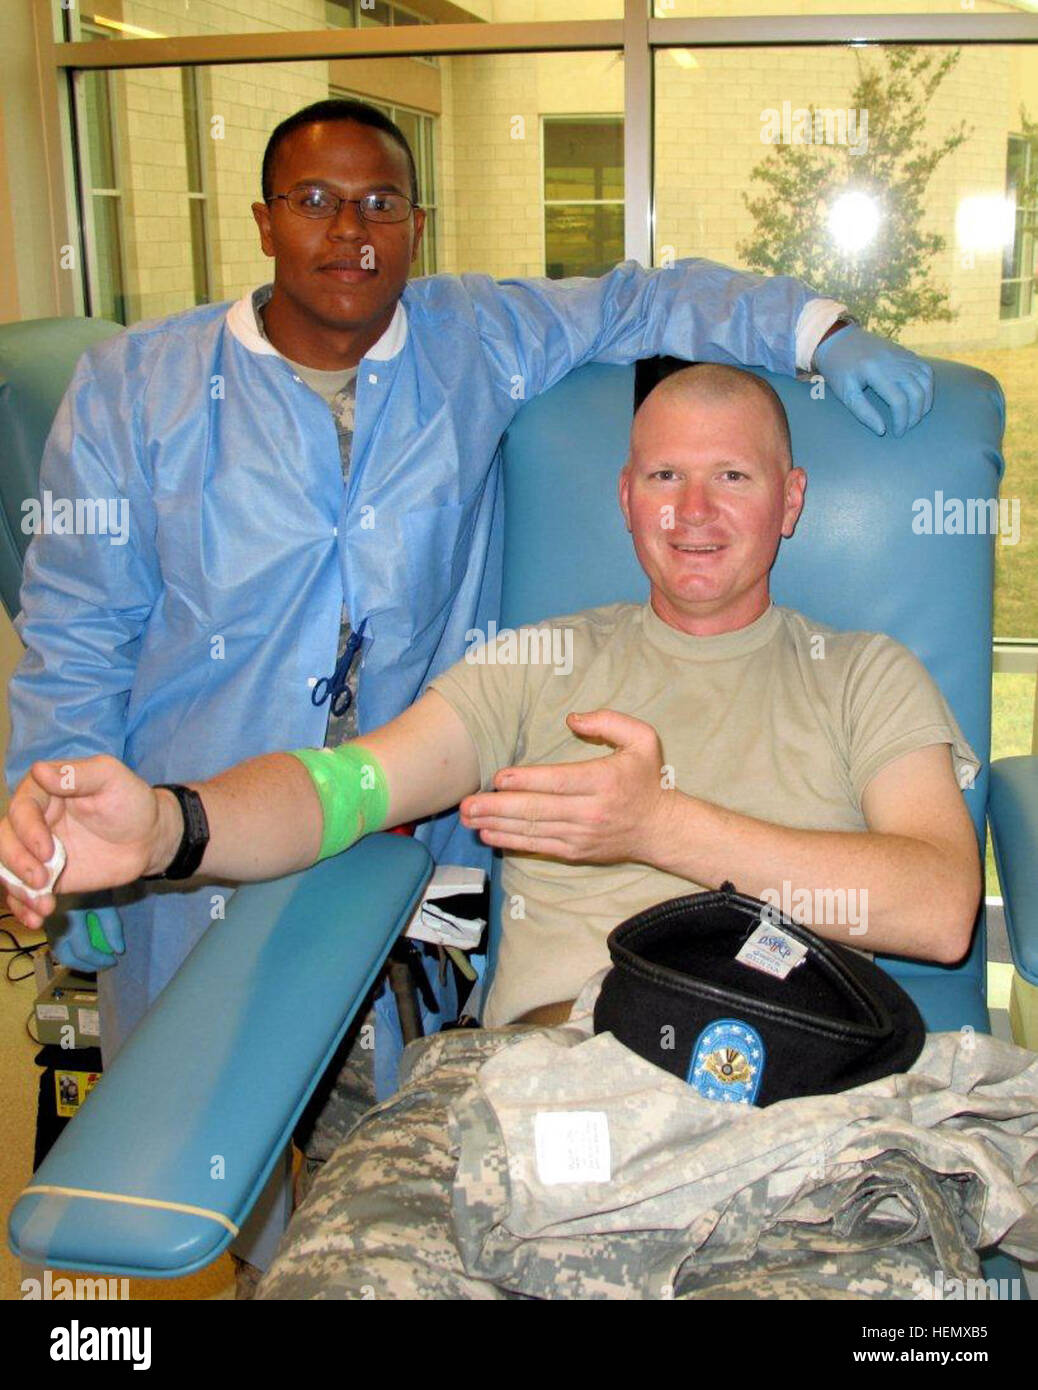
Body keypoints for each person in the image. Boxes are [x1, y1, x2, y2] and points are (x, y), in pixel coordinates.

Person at [1, 363, 981, 1297]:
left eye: (733, 475)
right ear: (626, 497)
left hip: (790, 1102)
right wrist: (172, 825)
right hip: (534, 1093)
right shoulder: (537, 666)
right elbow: (341, 790)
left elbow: (939, 907)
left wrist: (661, 825)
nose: (695, 511)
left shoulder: (861, 674)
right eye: (664, 476)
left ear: (791, 497)